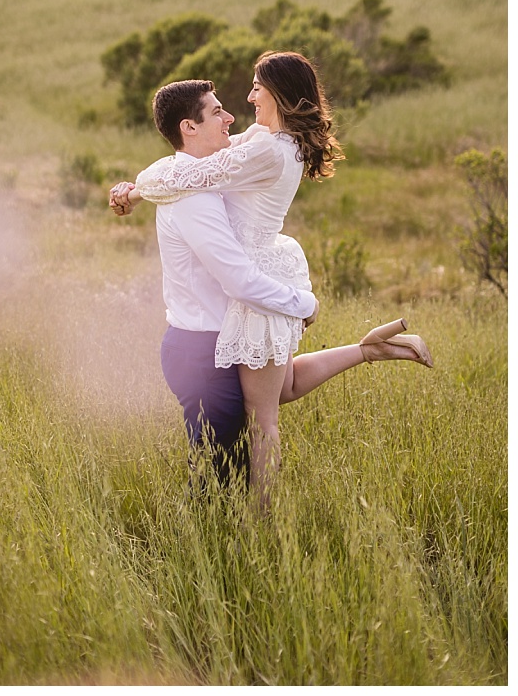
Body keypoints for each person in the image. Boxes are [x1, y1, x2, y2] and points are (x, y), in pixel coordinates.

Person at [109, 73, 432, 506]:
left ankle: (253, 530)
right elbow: (234, 273)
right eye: (216, 111)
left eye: (256, 87)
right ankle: (239, 536)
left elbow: (183, 171)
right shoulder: (205, 185)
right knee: (224, 469)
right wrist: (304, 303)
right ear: (189, 127)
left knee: (268, 410)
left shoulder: (246, 155)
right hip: (202, 346)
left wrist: (134, 190)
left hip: (229, 322)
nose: (234, 111)